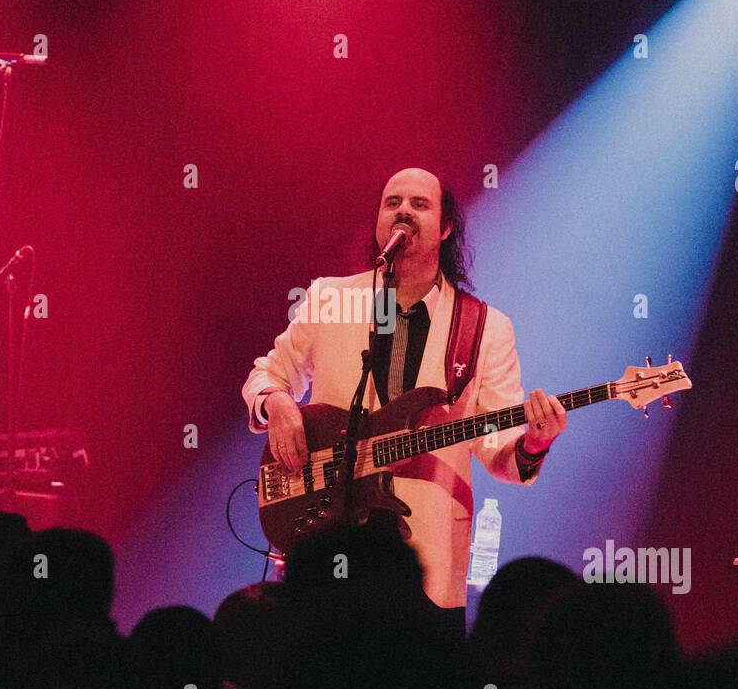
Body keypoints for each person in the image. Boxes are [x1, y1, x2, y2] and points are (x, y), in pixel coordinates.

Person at [242, 168, 567, 626]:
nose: (404, 212)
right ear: (378, 220)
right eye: (392, 202)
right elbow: (267, 375)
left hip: (427, 560)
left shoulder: (485, 327)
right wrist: (277, 404)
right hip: (330, 537)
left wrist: (534, 443)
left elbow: (497, 448)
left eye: (420, 204)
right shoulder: (331, 298)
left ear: (446, 227)